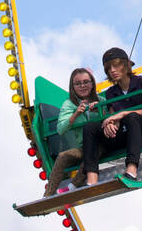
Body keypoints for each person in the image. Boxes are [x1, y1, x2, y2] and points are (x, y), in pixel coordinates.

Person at [81, 47, 142, 185]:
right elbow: (114, 117)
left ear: (126, 65)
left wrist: (125, 113)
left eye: (116, 65)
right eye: (108, 68)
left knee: (132, 117)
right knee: (90, 127)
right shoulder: (112, 92)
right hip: (125, 134)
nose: (112, 70)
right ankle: (92, 179)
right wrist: (110, 124)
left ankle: (131, 170)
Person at [43, 68, 102, 197]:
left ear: (92, 84)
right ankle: (48, 195)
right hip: (83, 147)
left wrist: (100, 110)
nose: (82, 86)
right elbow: (60, 129)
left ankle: (74, 186)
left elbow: (113, 118)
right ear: (72, 86)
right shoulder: (69, 105)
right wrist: (75, 115)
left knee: (92, 151)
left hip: (102, 143)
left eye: (86, 82)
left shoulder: (102, 101)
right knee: (64, 156)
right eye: (78, 83)